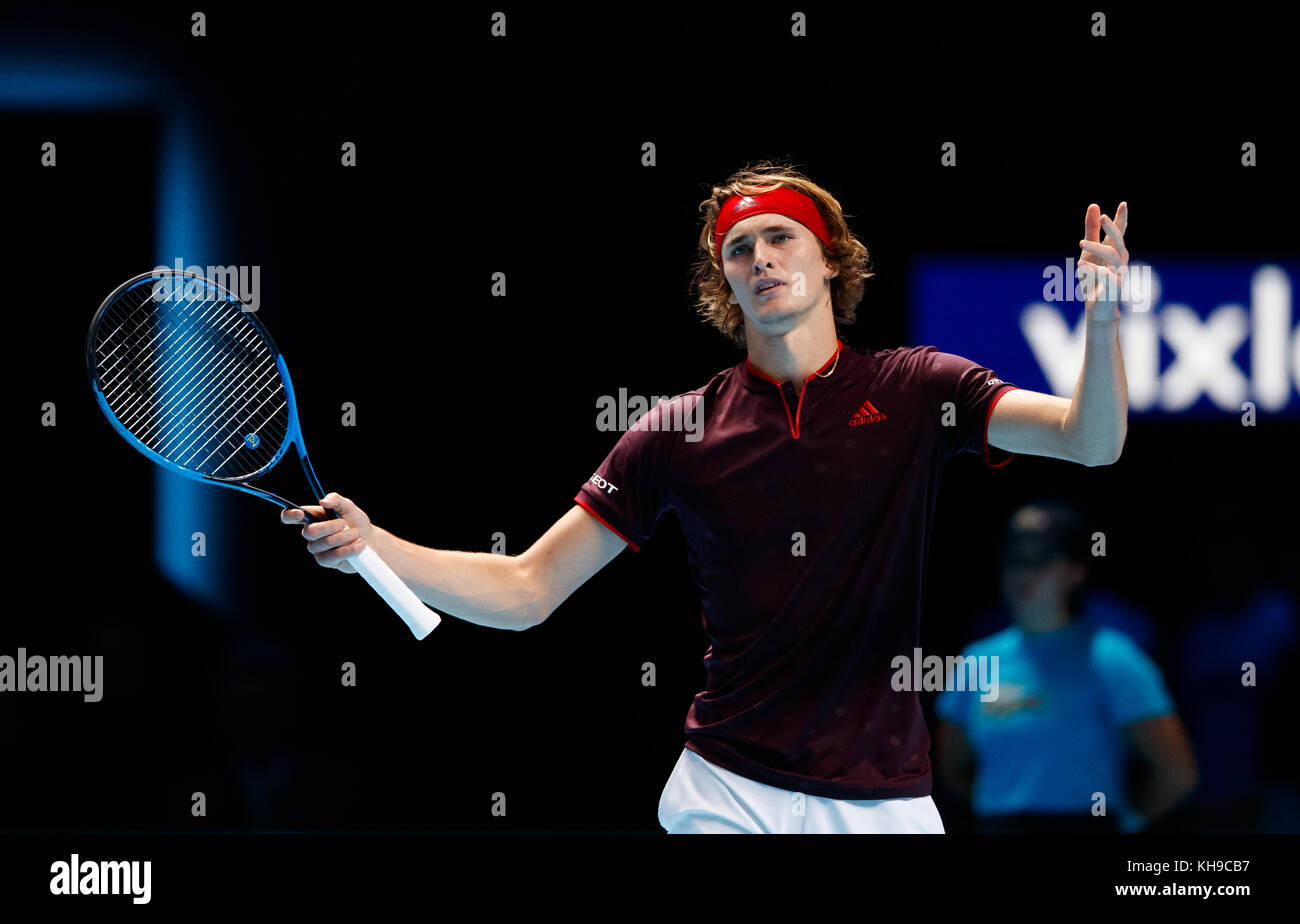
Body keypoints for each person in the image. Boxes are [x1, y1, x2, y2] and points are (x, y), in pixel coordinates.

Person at [281, 161, 1132, 833]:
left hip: (883, 799)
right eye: (739, 249)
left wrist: (1100, 321)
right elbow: (529, 589)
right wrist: (377, 546)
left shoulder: (918, 389)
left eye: (780, 239)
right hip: (727, 790)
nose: (760, 258)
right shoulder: (678, 431)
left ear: (829, 256)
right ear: (724, 282)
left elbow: (1089, 442)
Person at [933, 502, 1199, 833]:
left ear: (1076, 570)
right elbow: (950, 770)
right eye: (1014, 558)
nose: (1023, 573)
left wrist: (1127, 823)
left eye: (1041, 558)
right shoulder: (976, 661)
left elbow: (1176, 773)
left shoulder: (1114, 659)